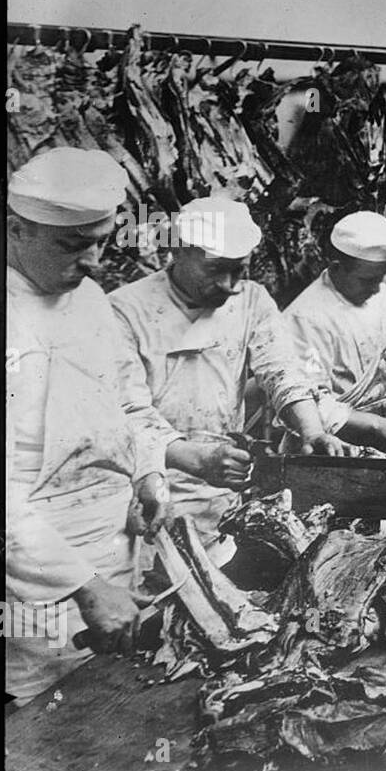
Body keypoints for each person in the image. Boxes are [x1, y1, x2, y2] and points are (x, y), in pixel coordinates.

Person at [6, 148, 172, 702]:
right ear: (15, 229)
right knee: (36, 724)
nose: (97, 261)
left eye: (103, 241)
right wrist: (82, 585)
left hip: (115, 551)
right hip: (30, 578)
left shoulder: (94, 300)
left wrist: (148, 471)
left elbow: (131, 403)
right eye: (75, 246)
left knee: (112, 704)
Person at [111, 197, 340, 566]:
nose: (230, 285)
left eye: (239, 271)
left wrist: (312, 430)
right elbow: (125, 412)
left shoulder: (252, 301)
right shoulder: (124, 310)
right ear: (177, 250)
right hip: (147, 491)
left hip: (222, 495)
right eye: (216, 269)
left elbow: (279, 369)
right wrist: (195, 458)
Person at [282, 212, 386, 454]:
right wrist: (374, 426)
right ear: (337, 267)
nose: (376, 289)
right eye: (367, 280)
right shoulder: (306, 318)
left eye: (380, 278)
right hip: (334, 446)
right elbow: (308, 400)